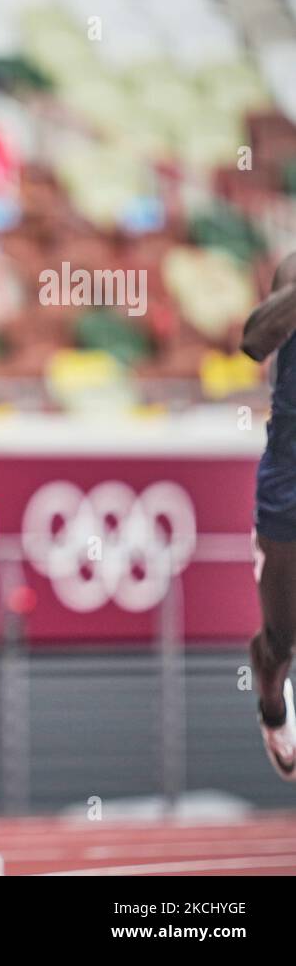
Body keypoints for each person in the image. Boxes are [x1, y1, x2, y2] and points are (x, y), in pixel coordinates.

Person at [240, 252, 296, 779]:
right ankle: (273, 706)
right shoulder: (293, 270)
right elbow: (255, 338)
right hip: (289, 481)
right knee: (282, 638)